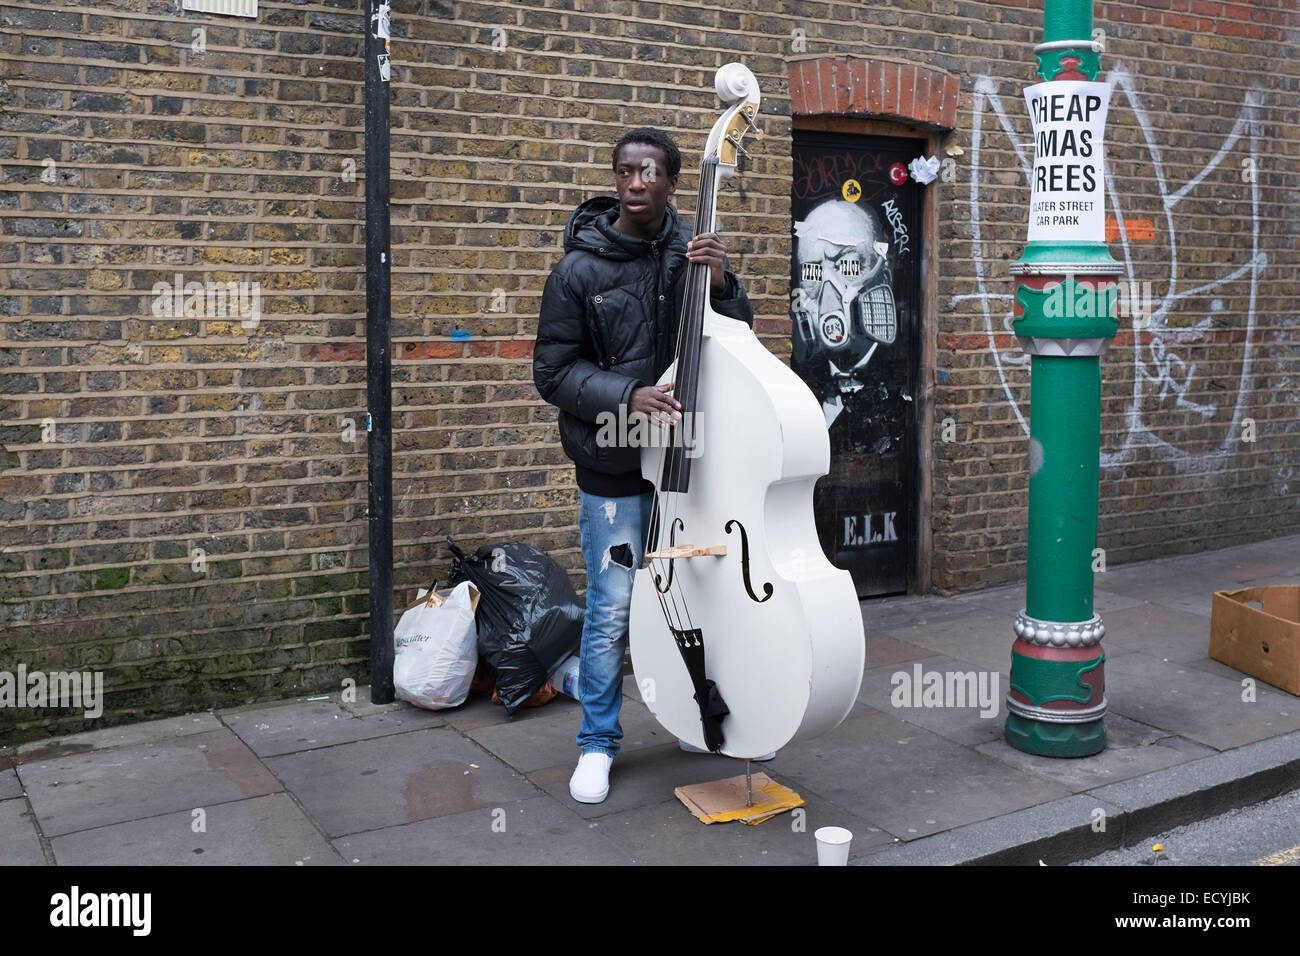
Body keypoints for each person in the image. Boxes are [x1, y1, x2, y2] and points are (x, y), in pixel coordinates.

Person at [532, 127, 754, 803]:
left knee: (701, 599)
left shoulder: (693, 253)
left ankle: (698, 717)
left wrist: (723, 281)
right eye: (625, 171)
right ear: (616, 179)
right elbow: (552, 371)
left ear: (671, 182)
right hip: (614, 465)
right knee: (612, 611)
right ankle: (597, 744)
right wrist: (628, 394)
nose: (636, 183)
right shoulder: (577, 270)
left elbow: (736, 339)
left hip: (687, 462)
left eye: (649, 173)